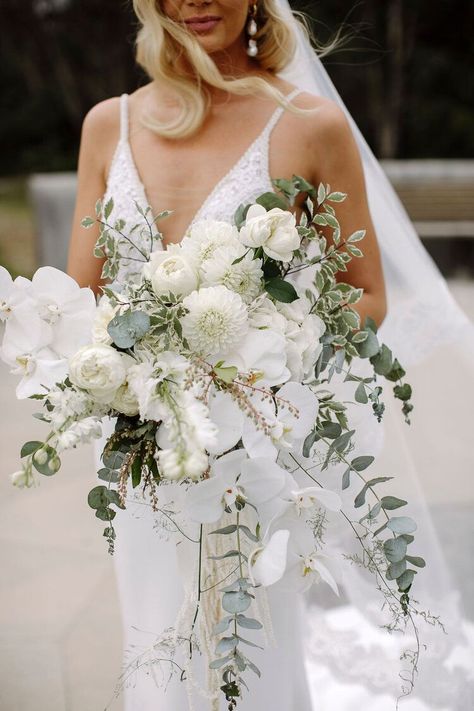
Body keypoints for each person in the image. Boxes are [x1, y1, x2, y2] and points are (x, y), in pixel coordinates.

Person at [66, 1, 474, 710]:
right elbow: (79, 299)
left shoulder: (309, 125)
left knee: (253, 652)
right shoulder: (110, 125)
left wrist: (262, 353)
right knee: (157, 641)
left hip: (257, 449)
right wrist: (132, 369)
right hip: (144, 453)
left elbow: (368, 294)